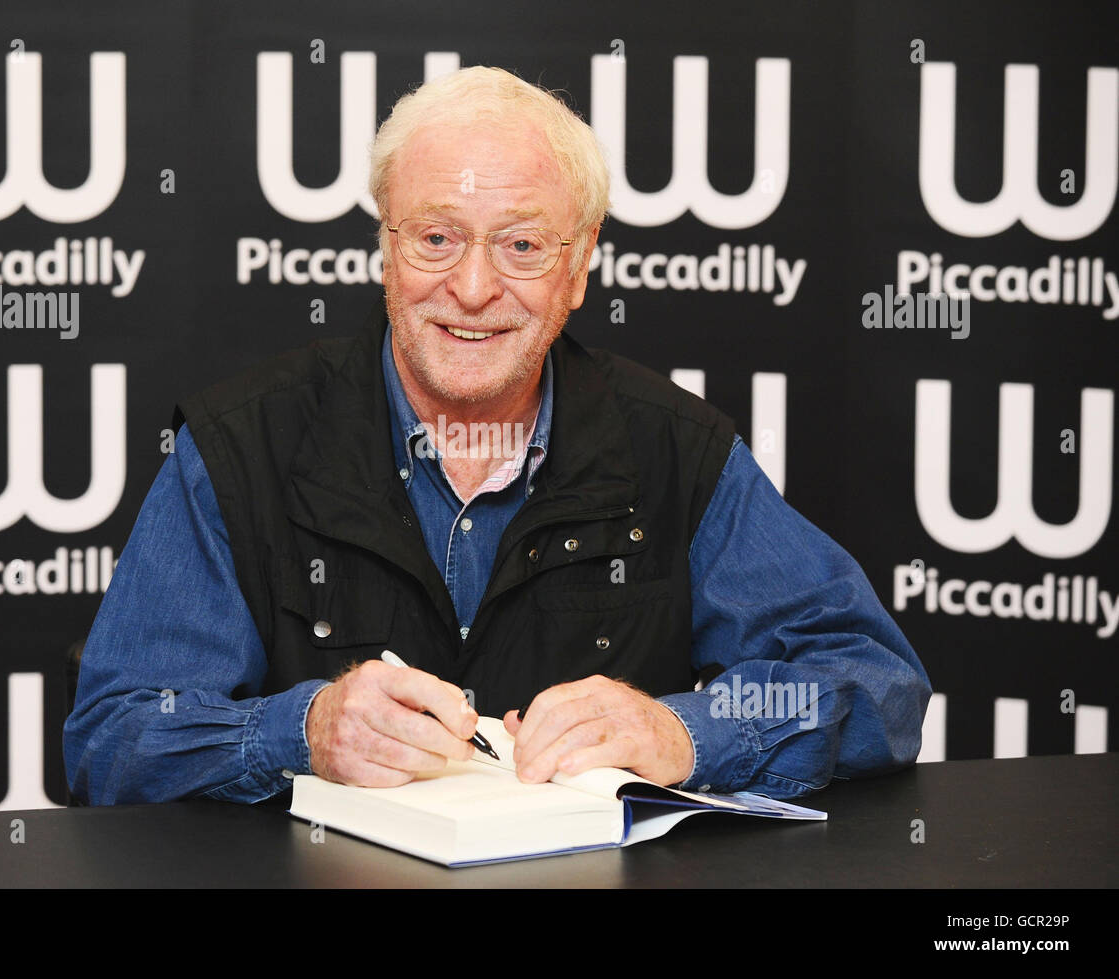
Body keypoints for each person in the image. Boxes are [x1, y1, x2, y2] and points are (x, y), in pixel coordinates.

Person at [64, 66, 930, 806]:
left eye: (521, 246)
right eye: (437, 237)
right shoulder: (240, 445)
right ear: (384, 246)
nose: (473, 288)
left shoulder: (674, 449)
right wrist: (299, 730)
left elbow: (876, 682)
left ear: (581, 263)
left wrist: (687, 732)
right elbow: (115, 734)